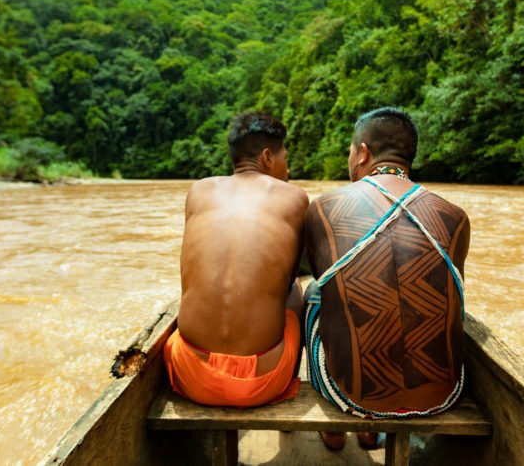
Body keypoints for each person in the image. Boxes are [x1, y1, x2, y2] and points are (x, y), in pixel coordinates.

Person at [303, 107, 470, 450]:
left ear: (363, 153)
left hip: (351, 396)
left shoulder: (325, 208)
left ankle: (336, 430)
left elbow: (325, 280)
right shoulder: (454, 217)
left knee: (314, 291)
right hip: (443, 398)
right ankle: (370, 434)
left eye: (350, 151)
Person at [163, 112, 309, 407]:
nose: (289, 168)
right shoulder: (294, 197)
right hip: (262, 383)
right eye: (285, 158)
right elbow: (287, 278)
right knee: (294, 289)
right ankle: (288, 388)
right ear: (267, 157)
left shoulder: (199, 191)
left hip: (191, 375)